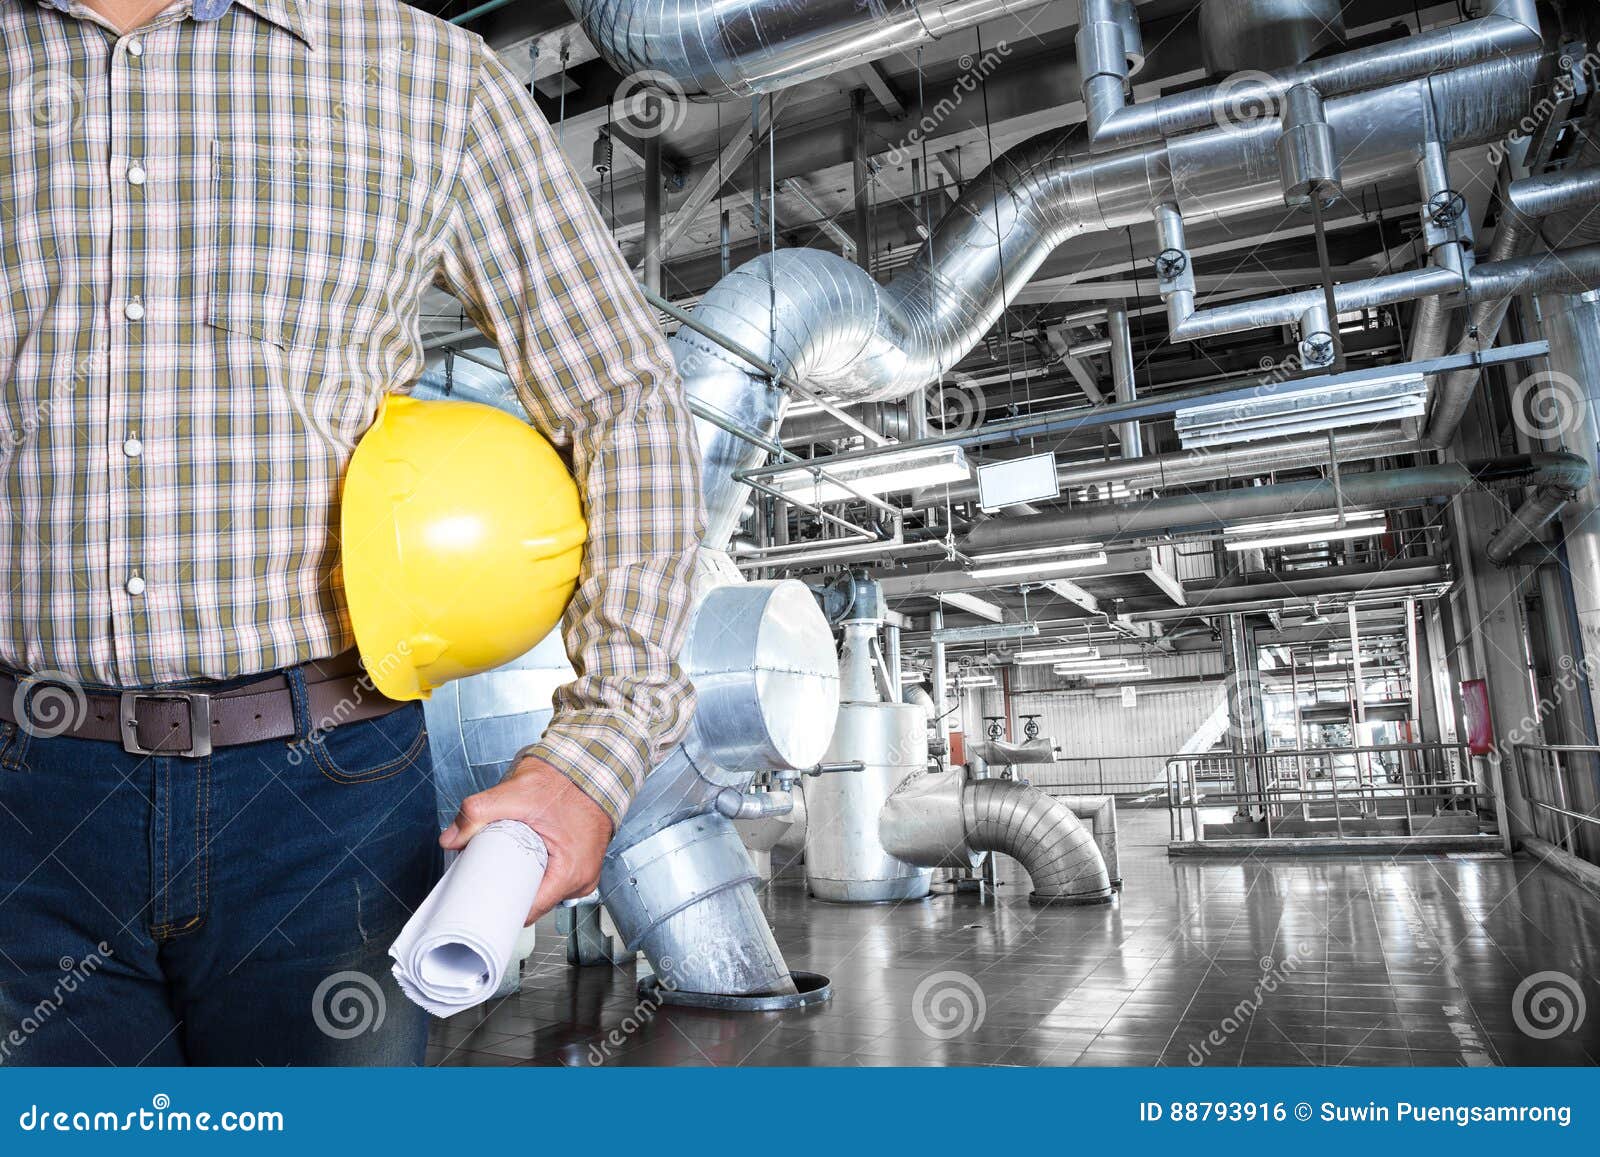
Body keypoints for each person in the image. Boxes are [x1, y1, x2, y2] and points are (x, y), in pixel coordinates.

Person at [0, 0, 702, 1065]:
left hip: (324, 803)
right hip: (23, 807)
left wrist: (597, 749)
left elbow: (624, 394)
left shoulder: (423, 73)